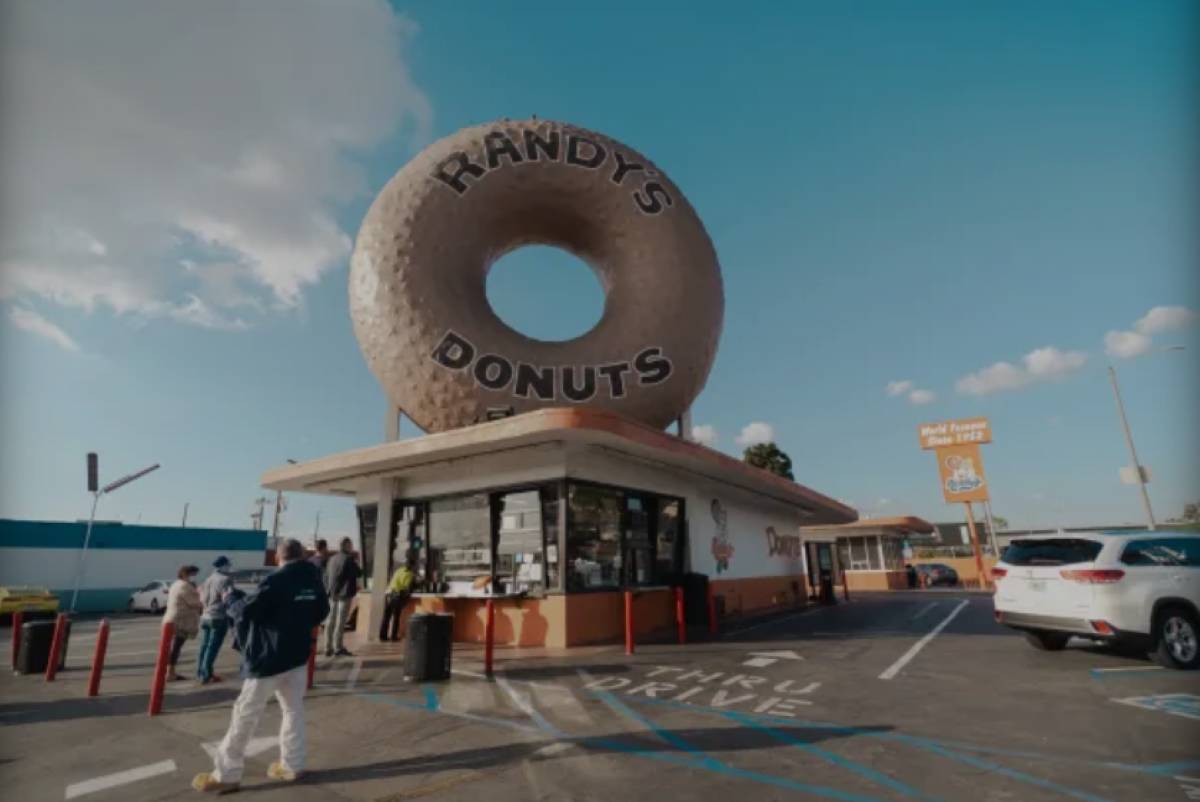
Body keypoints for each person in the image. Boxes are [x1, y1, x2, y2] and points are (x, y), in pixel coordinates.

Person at [192, 538, 329, 794]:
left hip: (269, 659)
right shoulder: (313, 580)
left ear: (279, 557)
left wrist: (231, 597)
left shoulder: (275, 581)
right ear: (301, 556)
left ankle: (227, 773)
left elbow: (246, 612)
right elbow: (321, 611)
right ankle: (293, 764)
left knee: (245, 714)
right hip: (298, 656)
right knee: (293, 711)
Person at [197, 556, 235, 684]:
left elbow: (201, 597)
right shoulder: (226, 580)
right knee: (213, 647)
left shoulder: (207, 579)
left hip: (205, 615)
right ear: (223, 566)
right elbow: (228, 599)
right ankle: (207, 674)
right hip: (218, 616)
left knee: (205, 645)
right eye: (228, 565)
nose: (229, 567)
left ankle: (200, 670)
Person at [164, 565, 202, 682]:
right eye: (192, 574)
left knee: (174, 647)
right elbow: (193, 603)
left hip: (171, 619)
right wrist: (201, 599)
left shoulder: (176, 584)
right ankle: (170, 673)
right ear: (185, 574)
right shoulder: (184, 586)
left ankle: (170, 672)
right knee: (176, 647)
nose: (193, 578)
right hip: (180, 620)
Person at [323, 537, 361, 657]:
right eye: (350, 545)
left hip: (332, 594)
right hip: (344, 594)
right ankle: (338, 647)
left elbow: (326, 576)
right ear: (345, 546)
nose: (352, 547)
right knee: (340, 621)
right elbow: (359, 573)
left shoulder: (332, 559)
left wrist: (328, 591)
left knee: (330, 620)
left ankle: (327, 647)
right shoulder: (349, 559)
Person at [379, 552, 416, 642]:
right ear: (412, 566)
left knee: (386, 616)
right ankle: (393, 636)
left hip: (388, 593)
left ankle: (382, 636)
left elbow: (394, 580)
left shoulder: (399, 570)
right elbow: (406, 587)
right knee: (396, 616)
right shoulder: (410, 574)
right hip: (397, 595)